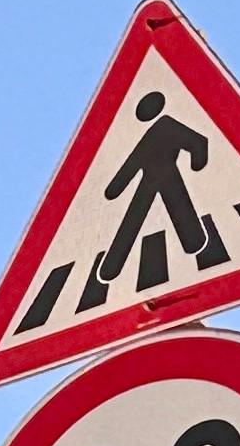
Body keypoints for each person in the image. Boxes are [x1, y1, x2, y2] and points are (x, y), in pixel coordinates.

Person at [81, 89, 223, 304]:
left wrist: (198, 163)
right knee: (141, 220)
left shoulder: (165, 126)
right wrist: (114, 188)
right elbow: (134, 162)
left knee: (143, 220)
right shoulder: (159, 129)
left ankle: (112, 266)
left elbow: (197, 141)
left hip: (164, 176)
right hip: (155, 180)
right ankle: (111, 268)